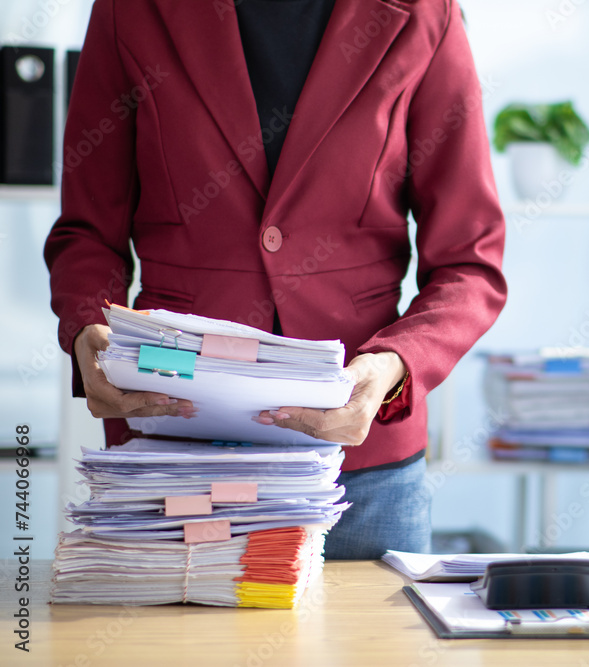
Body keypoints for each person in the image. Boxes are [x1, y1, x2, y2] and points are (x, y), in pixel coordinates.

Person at [43, 0, 507, 559]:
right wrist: (87, 328)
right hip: (172, 447)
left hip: (361, 468)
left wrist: (396, 364)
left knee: (369, 648)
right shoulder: (130, 10)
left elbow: (470, 262)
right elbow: (88, 233)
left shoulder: (426, 14)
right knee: (169, 648)